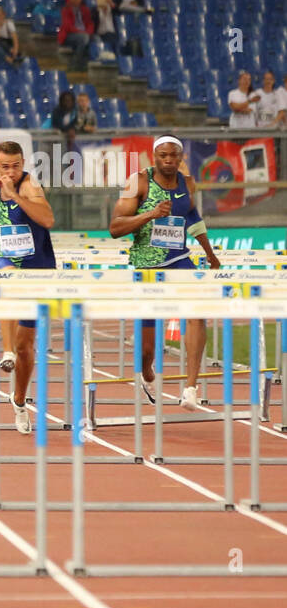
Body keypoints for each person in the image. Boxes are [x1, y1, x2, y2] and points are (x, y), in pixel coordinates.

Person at [109, 135, 221, 410]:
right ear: (154, 156)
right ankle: (147, 374)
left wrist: (209, 252)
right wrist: (150, 214)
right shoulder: (138, 182)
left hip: (179, 259)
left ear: (181, 157)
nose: (169, 160)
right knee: (147, 350)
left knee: (196, 314)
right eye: (163, 156)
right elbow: (115, 228)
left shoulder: (188, 183)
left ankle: (191, 388)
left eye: (174, 156)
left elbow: (192, 217)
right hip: (147, 266)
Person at [0, 141, 56, 433]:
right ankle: (6, 354)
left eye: (16, 166)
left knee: (26, 347)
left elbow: (48, 220)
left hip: (37, 266)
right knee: (6, 282)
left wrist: (15, 195)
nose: (11, 171)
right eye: (5, 166)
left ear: (23, 162)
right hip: (6, 259)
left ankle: (18, 400)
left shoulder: (30, 187)